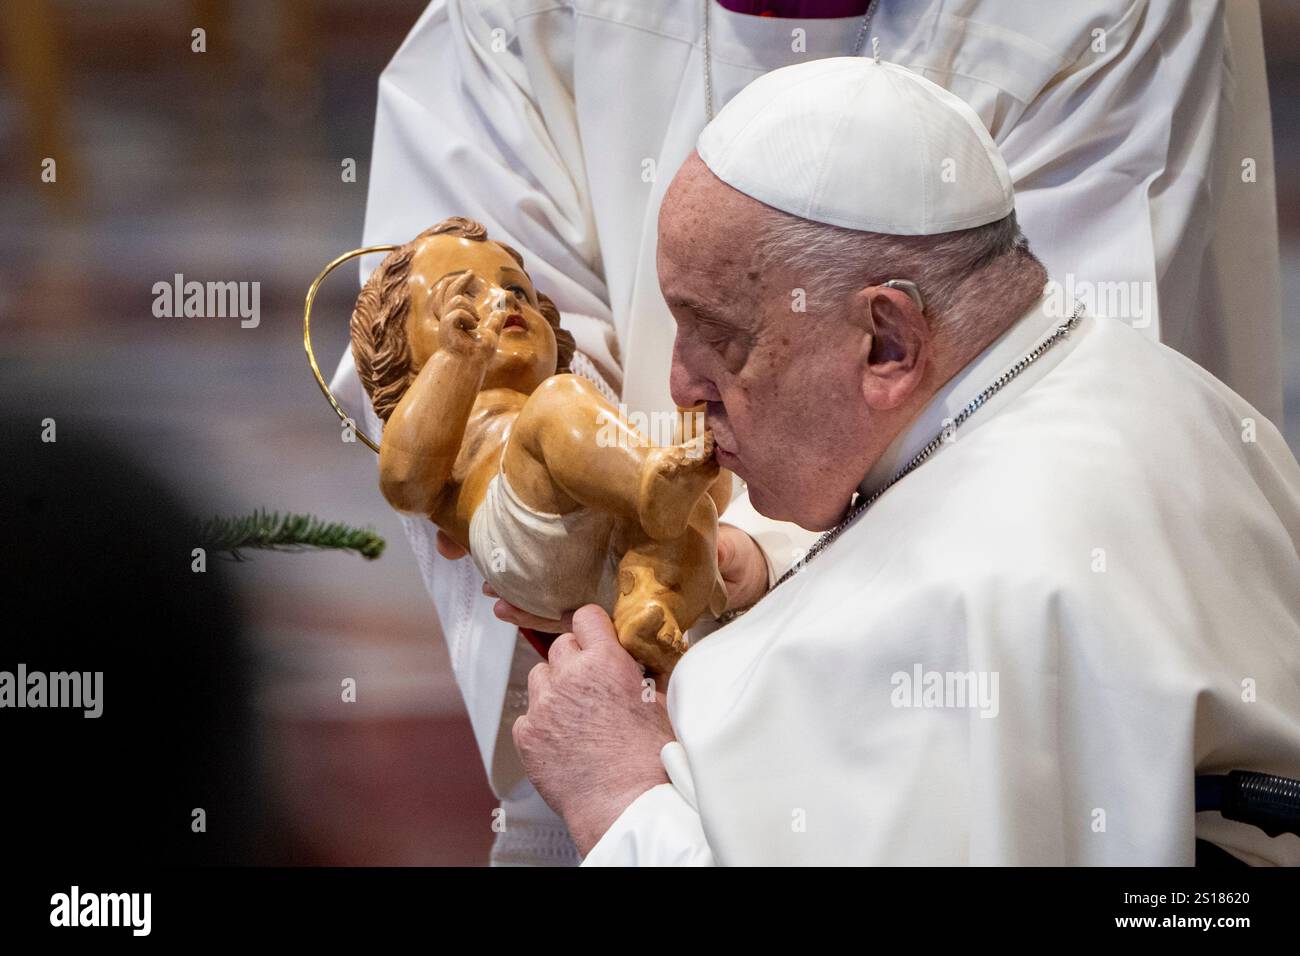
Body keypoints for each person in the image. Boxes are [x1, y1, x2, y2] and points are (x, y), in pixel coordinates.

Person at [329, 0, 1284, 865]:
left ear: (886, 342)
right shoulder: (1166, 409)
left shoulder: (958, 608)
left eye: (719, 337)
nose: (674, 386)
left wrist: (628, 805)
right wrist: (737, 558)